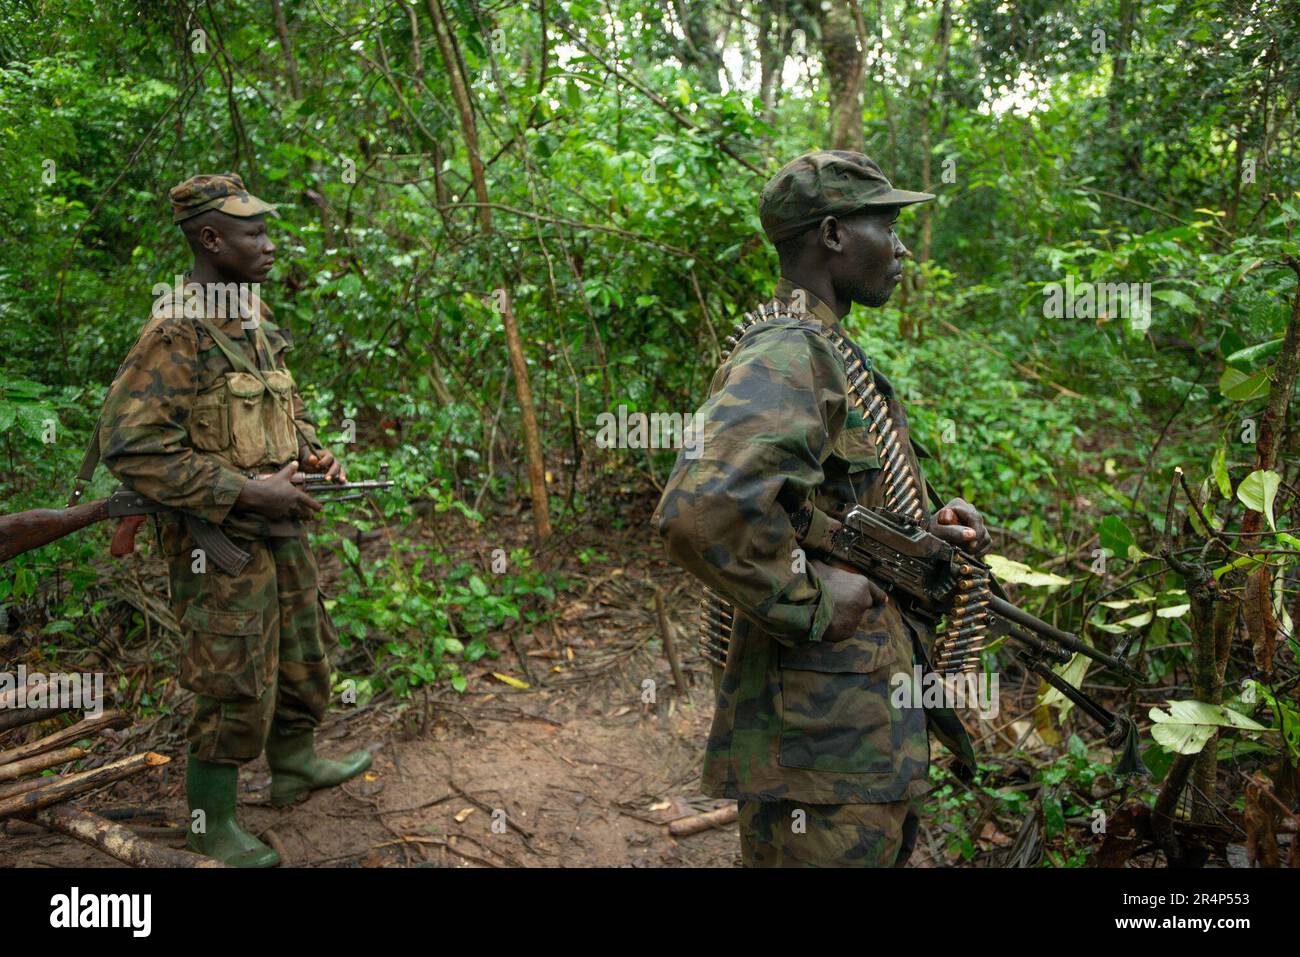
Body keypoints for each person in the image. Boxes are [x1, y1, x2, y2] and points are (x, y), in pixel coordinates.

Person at [653, 151, 987, 867]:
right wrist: (807, 597)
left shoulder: (827, 353)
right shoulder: (793, 353)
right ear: (833, 235)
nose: (900, 247)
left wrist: (922, 534)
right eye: (887, 225)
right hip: (819, 743)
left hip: (859, 732)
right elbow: (699, 509)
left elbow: (820, 510)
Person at [96, 173, 371, 867]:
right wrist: (244, 492)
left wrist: (311, 451)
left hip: (282, 525)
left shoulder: (249, 316)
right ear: (212, 240)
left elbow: (283, 404)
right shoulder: (175, 331)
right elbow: (131, 446)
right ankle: (209, 820)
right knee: (231, 670)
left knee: (306, 647)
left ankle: (295, 762)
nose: (269, 245)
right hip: (217, 543)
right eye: (254, 234)